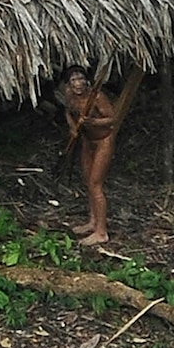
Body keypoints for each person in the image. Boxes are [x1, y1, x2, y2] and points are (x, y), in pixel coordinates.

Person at [62, 66, 117, 246]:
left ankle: (101, 232)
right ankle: (93, 221)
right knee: (88, 181)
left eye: (80, 79)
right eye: (73, 80)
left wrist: (93, 122)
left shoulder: (97, 97)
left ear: (87, 81)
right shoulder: (69, 95)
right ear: (69, 84)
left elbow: (112, 119)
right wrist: (72, 127)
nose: (78, 84)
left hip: (103, 141)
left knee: (95, 184)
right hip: (87, 141)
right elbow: (68, 111)